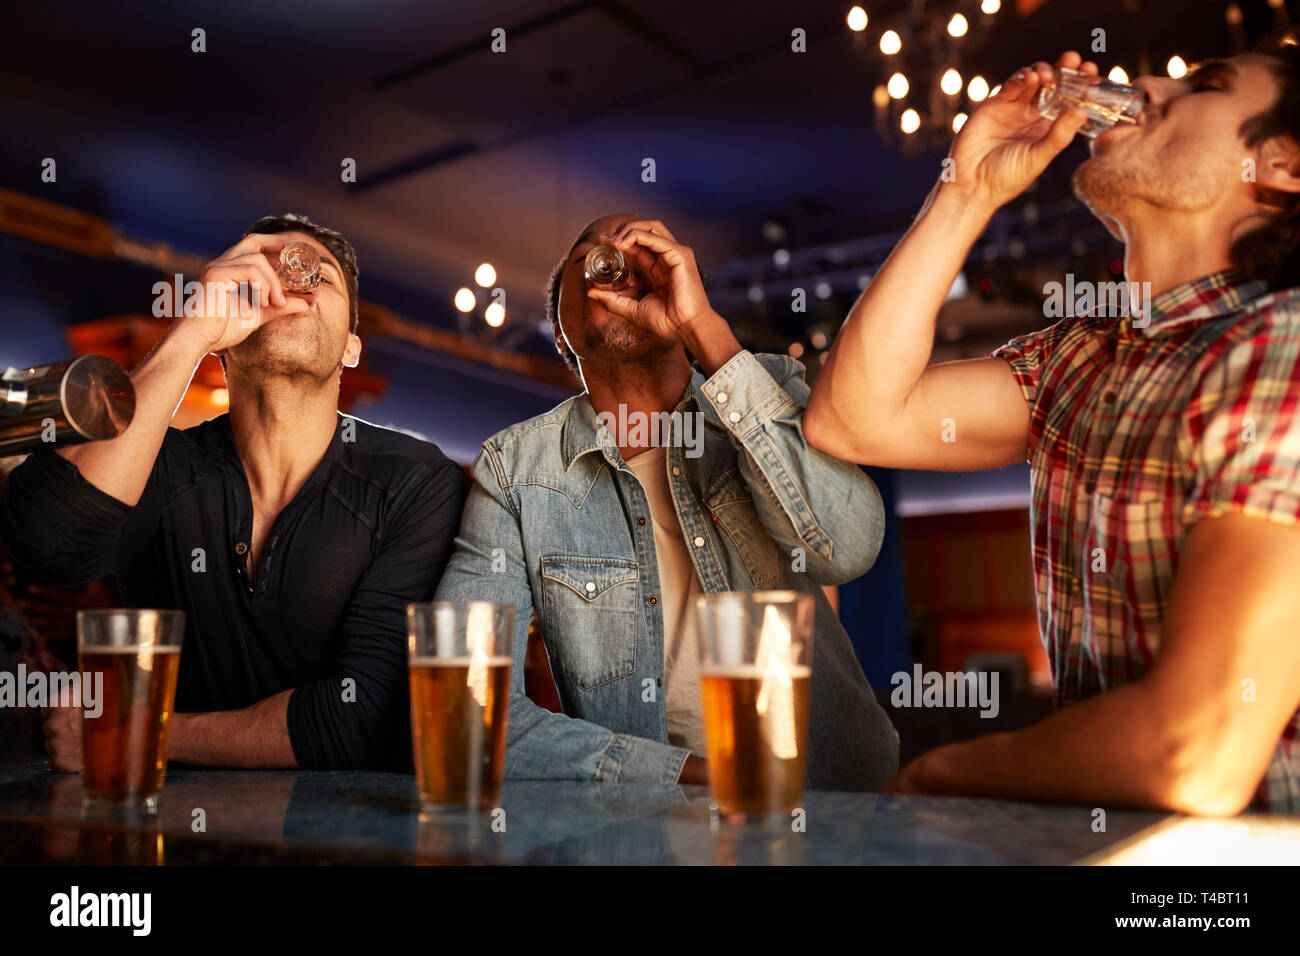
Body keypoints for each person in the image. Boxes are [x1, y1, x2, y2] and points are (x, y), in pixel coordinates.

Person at [804, 43, 1300, 815]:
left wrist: (938, 774)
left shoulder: (1284, 345)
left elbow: (1195, 751)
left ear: (1281, 168)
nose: (1148, 83)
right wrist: (965, 191)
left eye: (1204, 84)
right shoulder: (1081, 359)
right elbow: (852, 420)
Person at [434, 213, 899, 788]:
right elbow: (466, 707)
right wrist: (689, 775)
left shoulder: (768, 392)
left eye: (647, 258)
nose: (621, 267)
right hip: (640, 824)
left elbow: (847, 548)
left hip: (831, 805)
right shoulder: (515, 472)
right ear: (561, 329)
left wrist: (703, 326)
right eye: (594, 259)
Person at [0, 214, 468, 771]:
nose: (294, 287)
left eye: (322, 277)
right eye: (263, 278)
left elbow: (363, 719)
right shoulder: (162, 465)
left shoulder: (416, 481)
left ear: (351, 348)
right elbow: (47, 544)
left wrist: (133, 731)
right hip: (164, 836)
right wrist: (190, 333)